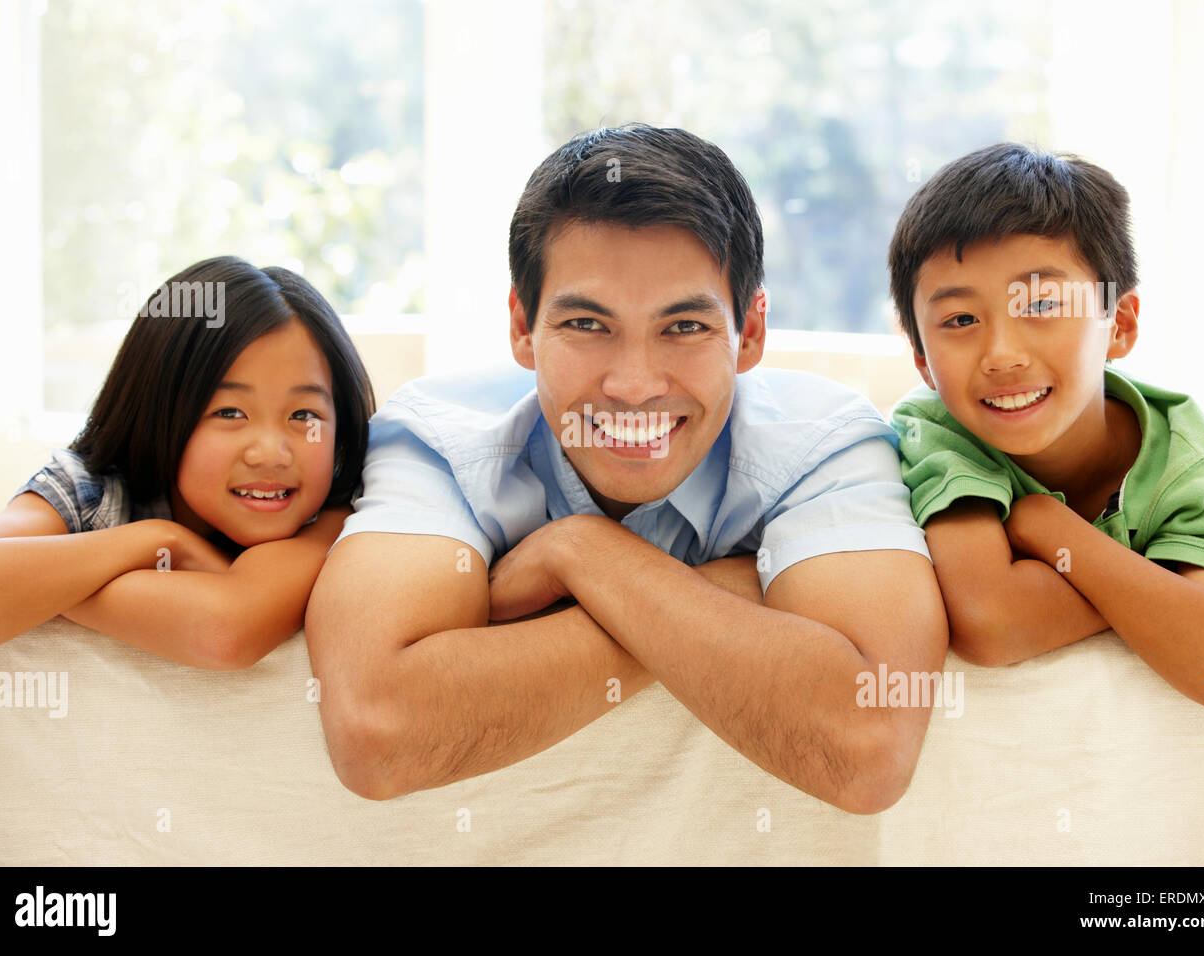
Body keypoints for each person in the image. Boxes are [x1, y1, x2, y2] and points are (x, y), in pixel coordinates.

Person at [305, 124, 948, 812]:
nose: (635, 385)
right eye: (587, 325)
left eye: (685, 327)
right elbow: (378, 732)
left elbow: (865, 749)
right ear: (522, 327)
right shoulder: (439, 438)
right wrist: (713, 594)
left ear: (751, 334)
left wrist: (577, 552)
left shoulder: (823, 445)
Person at [887, 143, 1204, 711]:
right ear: (921, 358)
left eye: (1040, 306)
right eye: (960, 319)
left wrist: (1044, 524)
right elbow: (991, 621)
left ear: (1120, 325)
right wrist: (1161, 587)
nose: (1002, 355)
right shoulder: (937, 429)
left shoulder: (1199, 463)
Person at [0, 255, 376, 668]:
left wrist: (43, 591)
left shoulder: (336, 514)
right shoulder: (92, 490)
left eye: (304, 415)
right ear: (159, 411)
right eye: (230, 412)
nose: (270, 453)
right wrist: (159, 541)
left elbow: (223, 632)